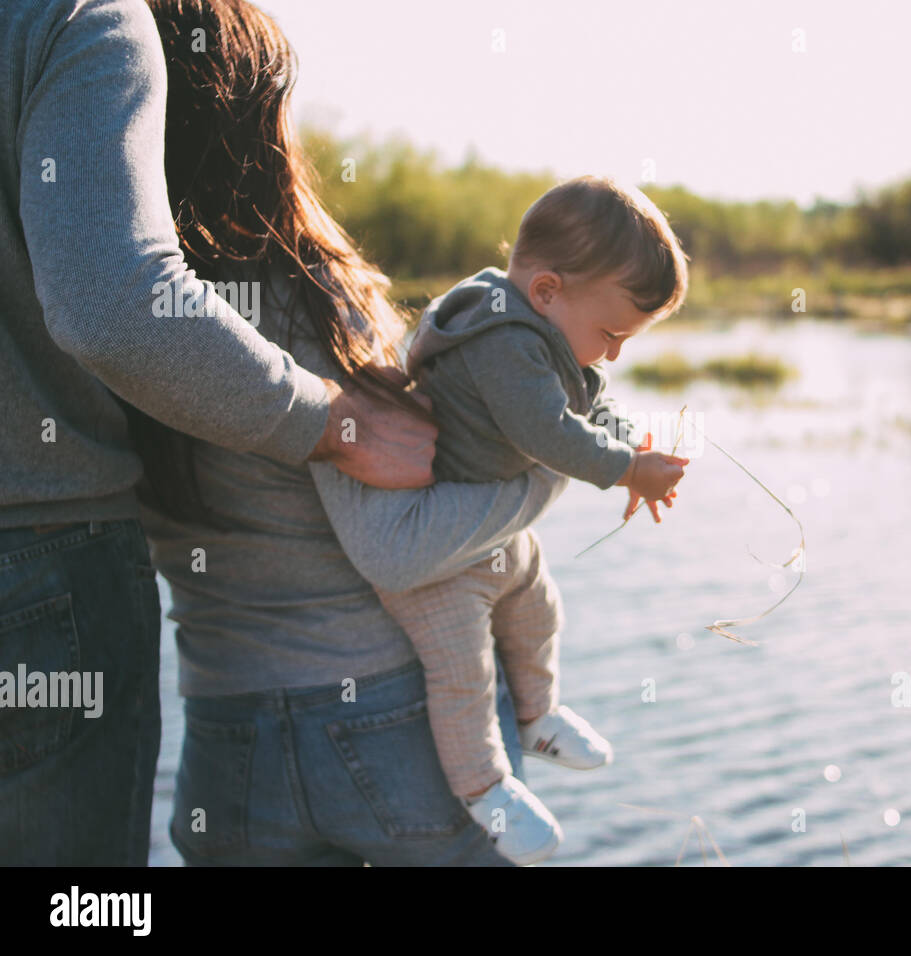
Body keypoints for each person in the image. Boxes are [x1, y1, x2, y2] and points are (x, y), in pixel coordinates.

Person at [130, 0, 569, 865]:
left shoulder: (123, 317)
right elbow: (421, 506)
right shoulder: (314, 295)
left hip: (226, 737)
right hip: (393, 721)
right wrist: (540, 481)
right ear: (264, 120)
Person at [0, 0, 437, 865]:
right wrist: (337, 422)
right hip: (372, 719)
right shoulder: (309, 301)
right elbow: (111, 304)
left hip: (225, 749)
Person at [378, 177, 690, 863]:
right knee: (461, 670)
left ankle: (538, 716)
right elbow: (548, 430)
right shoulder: (501, 342)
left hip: (492, 533)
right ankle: (484, 788)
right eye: (610, 333)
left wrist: (630, 441)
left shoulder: (542, 331)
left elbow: (587, 403)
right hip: (440, 550)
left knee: (539, 610)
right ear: (547, 291)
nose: (613, 352)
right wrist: (626, 471)